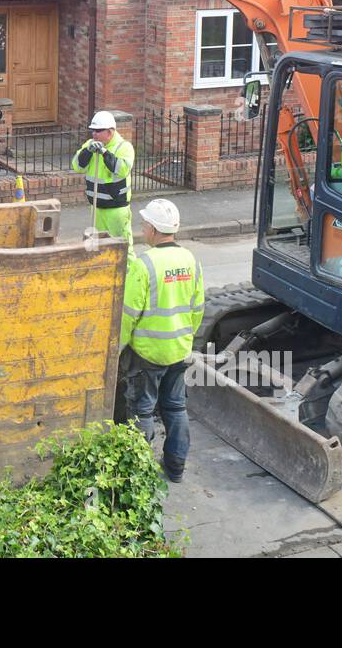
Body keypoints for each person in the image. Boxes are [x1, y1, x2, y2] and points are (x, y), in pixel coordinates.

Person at [118, 198, 204, 482]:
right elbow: (197, 308)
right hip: (179, 351)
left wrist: (118, 347)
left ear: (153, 229)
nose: (142, 228)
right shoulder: (190, 260)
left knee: (142, 410)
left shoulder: (145, 264)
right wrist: (184, 339)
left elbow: (129, 314)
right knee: (176, 407)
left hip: (147, 353)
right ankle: (175, 468)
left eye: (144, 224)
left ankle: (139, 473)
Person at [72, 111, 134, 248]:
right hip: (96, 208)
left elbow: (122, 170)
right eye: (93, 131)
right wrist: (88, 151)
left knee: (122, 248)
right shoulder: (90, 144)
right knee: (98, 247)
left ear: (110, 132)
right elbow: (77, 166)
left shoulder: (124, 147)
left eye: (98, 131)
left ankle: (128, 270)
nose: (94, 134)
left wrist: (105, 153)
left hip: (116, 210)